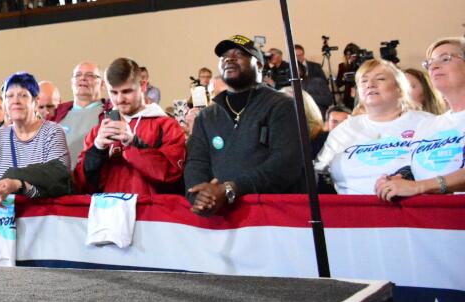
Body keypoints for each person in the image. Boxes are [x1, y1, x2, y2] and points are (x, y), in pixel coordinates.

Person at [185, 36, 304, 215]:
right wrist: (200, 196)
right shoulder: (208, 116)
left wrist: (231, 189)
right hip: (223, 216)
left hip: (274, 215)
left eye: (239, 54)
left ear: (260, 65)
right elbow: (196, 163)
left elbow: (286, 163)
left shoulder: (282, 105)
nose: (229, 58)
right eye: (224, 56)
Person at [315, 59, 431, 194]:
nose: (370, 84)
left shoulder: (427, 123)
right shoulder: (344, 130)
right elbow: (321, 174)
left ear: (399, 88)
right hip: (353, 209)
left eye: (380, 79)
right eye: (363, 81)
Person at [75, 58, 187, 195]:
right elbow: (82, 185)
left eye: (126, 91)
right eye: (114, 92)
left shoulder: (167, 126)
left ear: (143, 85)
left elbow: (174, 178)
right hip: (107, 211)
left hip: (151, 213)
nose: (119, 99)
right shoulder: (100, 131)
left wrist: (134, 143)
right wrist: (97, 150)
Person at [377, 37, 465, 199]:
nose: (434, 66)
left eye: (445, 59)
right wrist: (398, 179)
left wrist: (420, 187)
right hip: (433, 219)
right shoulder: (428, 125)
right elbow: (418, 168)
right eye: (429, 63)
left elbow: (421, 184)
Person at [0, 72, 71, 205]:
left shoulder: (52, 132)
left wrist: (17, 183)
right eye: (9, 96)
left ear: (36, 101)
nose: (15, 101)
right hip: (4, 219)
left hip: (45, 218)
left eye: (23, 95)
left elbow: (58, 179)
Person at [53, 61, 110, 166]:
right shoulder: (56, 115)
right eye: (78, 75)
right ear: (71, 82)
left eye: (90, 75)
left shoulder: (109, 114)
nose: (83, 78)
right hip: (57, 181)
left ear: (102, 84)